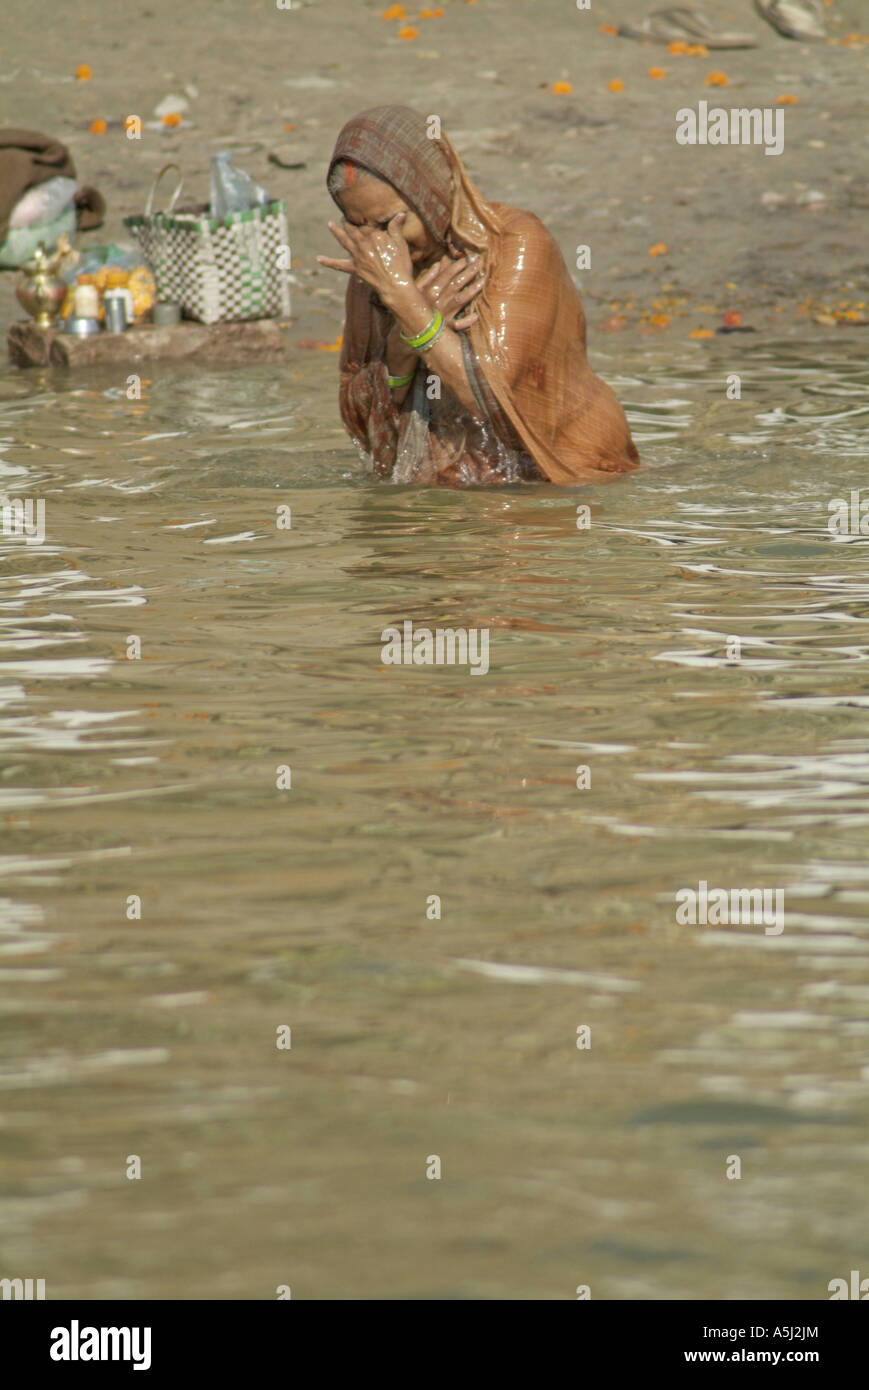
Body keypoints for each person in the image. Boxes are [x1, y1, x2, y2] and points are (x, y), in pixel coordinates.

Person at [317, 105, 640, 487]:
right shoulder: (375, 270)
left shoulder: (515, 243)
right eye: (359, 227)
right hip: (458, 489)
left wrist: (406, 302)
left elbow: (501, 403)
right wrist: (401, 346)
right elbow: (361, 427)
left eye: (391, 223)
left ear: (432, 191)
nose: (383, 245)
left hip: (572, 476)